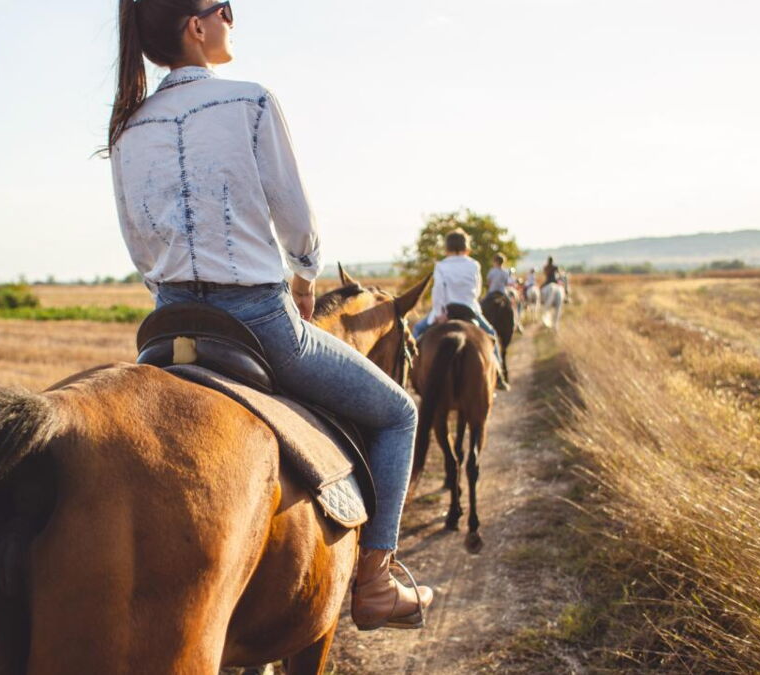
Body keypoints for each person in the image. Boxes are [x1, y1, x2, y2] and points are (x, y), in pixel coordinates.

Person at [106, 0, 432, 630]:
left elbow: (139, 246)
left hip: (167, 327)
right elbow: (299, 224)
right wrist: (305, 278)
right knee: (399, 413)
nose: (233, 16)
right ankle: (376, 583)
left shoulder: (125, 129)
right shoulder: (249, 101)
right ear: (196, 27)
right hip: (258, 320)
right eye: (224, 8)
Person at [411, 231, 509, 390]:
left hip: (445, 311)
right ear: (467, 248)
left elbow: (438, 291)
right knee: (492, 334)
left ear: (446, 248)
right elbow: (476, 290)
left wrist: (439, 313)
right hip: (469, 310)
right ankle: (498, 375)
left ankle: (410, 370)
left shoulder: (441, 266)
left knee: (417, 330)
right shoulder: (474, 265)